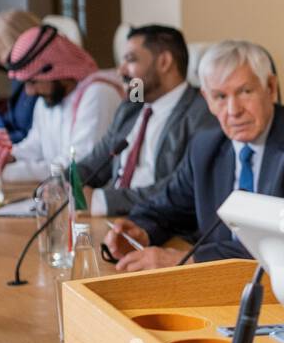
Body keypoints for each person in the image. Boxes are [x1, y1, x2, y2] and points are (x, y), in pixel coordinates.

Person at [103, 39, 284, 270]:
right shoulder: (206, 145)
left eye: (245, 92)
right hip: (226, 286)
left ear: (271, 87)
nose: (233, 110)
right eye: (220, 97)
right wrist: (140, 231)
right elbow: (166, 207)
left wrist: (187, 259)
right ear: (207, 100)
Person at [78, 24, 216, 216]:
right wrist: (61, 183)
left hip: (157, 225)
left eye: (131, 60)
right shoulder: (131, 107)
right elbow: (93, 164)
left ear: (164, 62)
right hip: (110, 220)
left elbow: (180, 189)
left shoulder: (202, 113)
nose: (121, 71)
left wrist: (102, 201)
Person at [0, 24, 124, 183]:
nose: (29, 92)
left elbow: (77, 164)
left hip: (91, 197)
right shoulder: (47, 99)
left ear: (56, 71)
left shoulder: (97, 93)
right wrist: (9, 157)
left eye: (33, 82)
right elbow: (35, 146)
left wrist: (7, 172)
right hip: (57, 192)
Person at [0, 8, 41, 143]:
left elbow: (33, 138)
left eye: (8, 59)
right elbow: (10, 121)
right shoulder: (18, 76)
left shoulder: (44, 81)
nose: (8, 70)